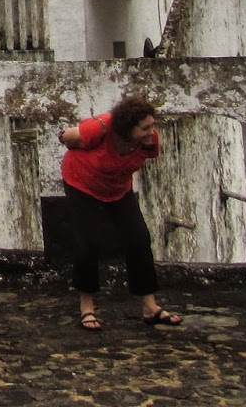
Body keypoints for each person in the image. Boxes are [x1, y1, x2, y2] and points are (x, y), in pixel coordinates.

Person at [57, 93, 182, 331]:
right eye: (145, 127)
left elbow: (146, 152)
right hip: (81, 183)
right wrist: (80, 140)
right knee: (87, 242)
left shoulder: (148, 140)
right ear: (127, 127)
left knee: (139, 238)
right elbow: (66, 137)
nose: (151, 131)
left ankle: (149, 306)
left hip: (118, 188)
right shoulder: (101, 127)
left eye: (152, 125)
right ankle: (87, 308)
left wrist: (147, 136)